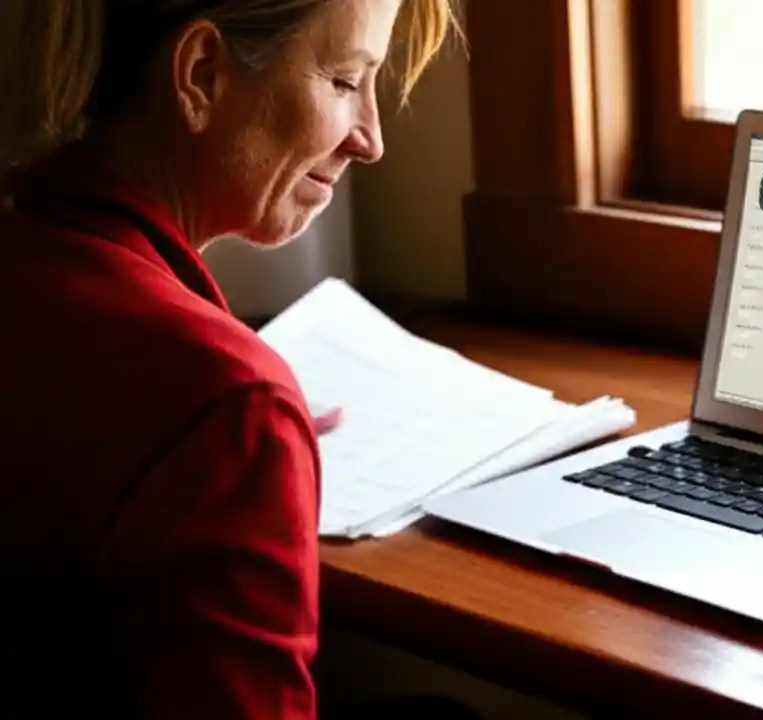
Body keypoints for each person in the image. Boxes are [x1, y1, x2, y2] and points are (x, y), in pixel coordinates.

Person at [0, 1, 456, 717]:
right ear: (202, 75)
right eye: (343, 81)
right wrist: (236, 424)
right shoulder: (221, 404)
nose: (369, 139)